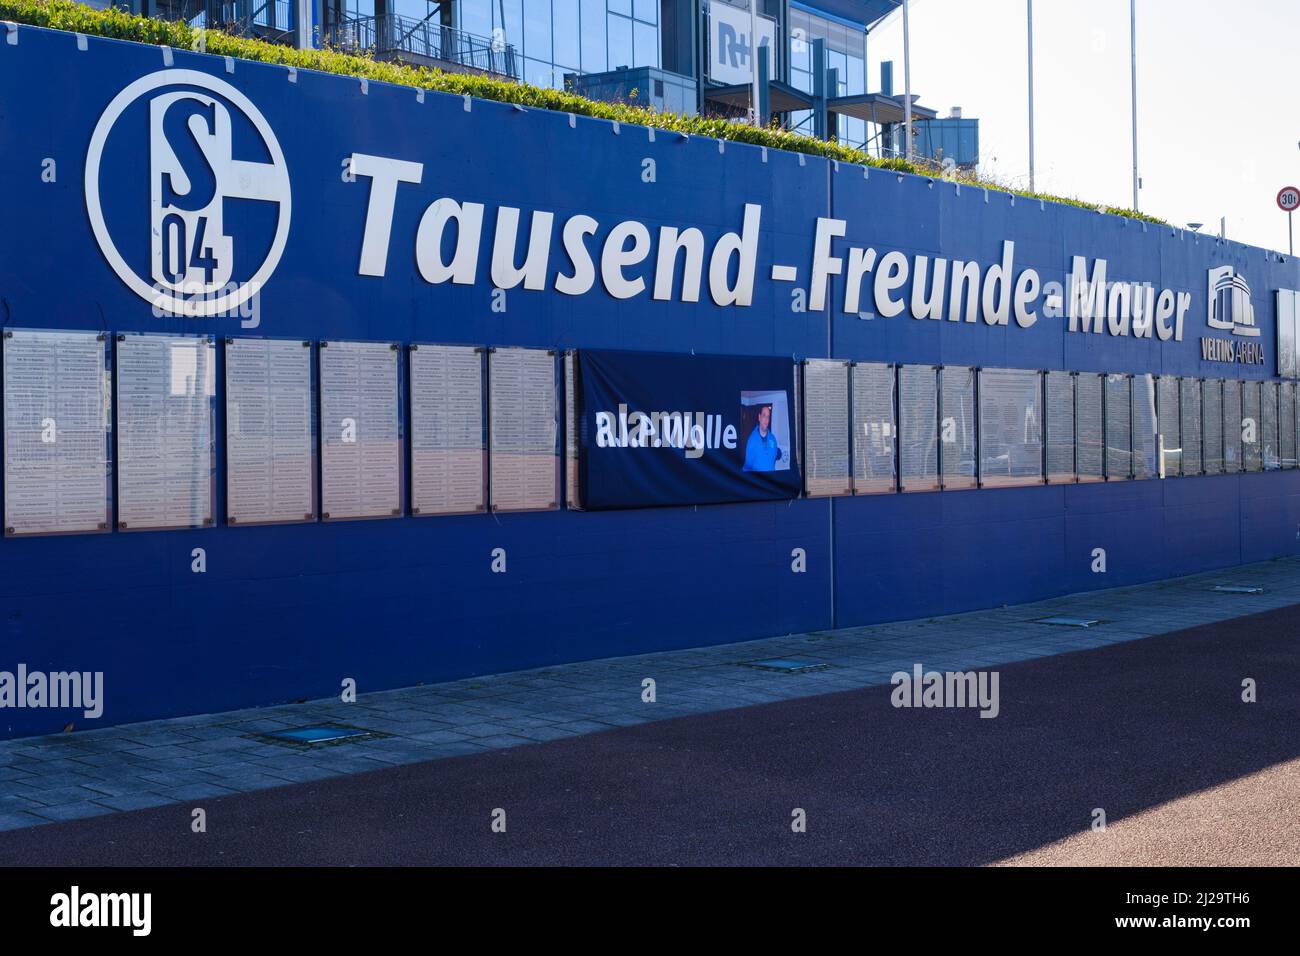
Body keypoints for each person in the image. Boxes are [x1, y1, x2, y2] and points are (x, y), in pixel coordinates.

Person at [743, 403, 783, 472]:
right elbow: (748, 465)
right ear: (759, 417)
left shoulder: (773, 438)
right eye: (764, 415)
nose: (766, 419)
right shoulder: (752, 440)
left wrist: (779, 453)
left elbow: (775, 454)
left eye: (768, 416)